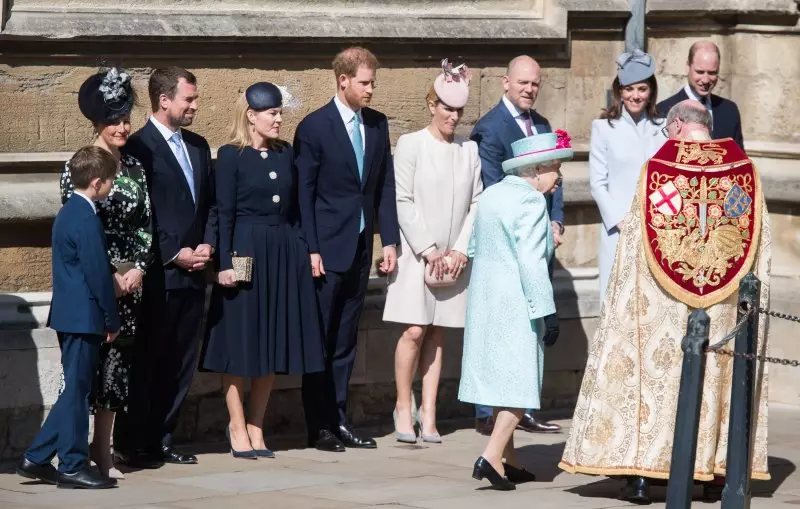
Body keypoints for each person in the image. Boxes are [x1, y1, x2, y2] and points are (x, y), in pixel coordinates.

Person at [559, 100, 770, 504]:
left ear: (675, 127)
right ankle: (711, 473)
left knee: (653, 380)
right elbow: (760, 249)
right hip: (725, 309)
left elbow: (636, 245)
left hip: (663, 304)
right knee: (714, 378)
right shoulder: (744, 174)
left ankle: (641, 473)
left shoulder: (660, 173)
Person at [200, 82, 326, 458]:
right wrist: (223, 264)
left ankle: (257, 426)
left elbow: (298, 208)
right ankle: (236, 426)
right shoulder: (230, 156)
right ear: (251, 116)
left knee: (270, 342)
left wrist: (306, 250)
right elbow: (223, 213)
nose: (279, 119)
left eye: (280, 112)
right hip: (245, 251)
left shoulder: (285, 154)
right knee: (241, 342)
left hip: (282, 253)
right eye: (272, 113)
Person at [295, 46, 400, 452]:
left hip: (358, 247)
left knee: (345, 340)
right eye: (364, 82)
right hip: (326, 250)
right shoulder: (314, 127)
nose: (371, 89)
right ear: (343, 80)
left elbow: (383, 186)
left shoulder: (376, 125)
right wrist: (312, 249)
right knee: (320, 338)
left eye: (373, 82)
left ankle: (339, 420)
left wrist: (387, 238)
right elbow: (304, 194)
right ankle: (317, 425)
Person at [114, 66, 217, 468]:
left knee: (180, 363)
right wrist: (175, 252)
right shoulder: (137, 147)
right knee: (148, 362)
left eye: (194, 98)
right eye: (188, 99)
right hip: (158, 275)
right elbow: (141, 214)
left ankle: (163, 437)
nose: (195, 105)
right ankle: (132, 440)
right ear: (164, 100)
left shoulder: (197, 145)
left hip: (195, 275)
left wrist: (209, 243)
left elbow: (209, 204)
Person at [459, 130, 572, 490]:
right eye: (556, 169)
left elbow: (474, 246)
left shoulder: (492, 194)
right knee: (522, 384)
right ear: (536, 170)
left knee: (500, 382)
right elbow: (532, 262)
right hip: (518, 302)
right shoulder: (531, 202)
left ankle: (509, 459)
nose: (560, 178)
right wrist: (547, 310)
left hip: (486, 300)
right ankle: (491, 457)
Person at [57, 67, 154, 480]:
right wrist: (109, 278)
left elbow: (146, 224)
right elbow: (80, 230)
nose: (123, 127)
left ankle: (104, 450)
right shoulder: (78, 166)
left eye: (126, 119)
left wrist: (139, 270)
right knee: (82, 373)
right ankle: (71, 451)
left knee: (116, 370)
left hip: (128, 284)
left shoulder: (134, 166)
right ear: (97, 123)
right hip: (92, 286)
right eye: (115, 120)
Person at [383, 59, 483, 444]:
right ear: (431, 105)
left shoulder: (469, 151)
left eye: (458, 110)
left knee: (439, 333)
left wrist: (459, 250)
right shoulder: (411, 144)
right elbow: (402, 199)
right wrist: (428, 249)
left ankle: (430, 411)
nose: (453, 117)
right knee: (413, 329)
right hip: (417, 254)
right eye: (446, 108)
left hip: (454, 259)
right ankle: (403, 406)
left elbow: (477, 202)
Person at [469, 54, 562, 435]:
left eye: (535, 83)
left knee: (525, 335)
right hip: (510, 242)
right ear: (505, 82)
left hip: (541, 233)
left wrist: (555, 221)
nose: (529, 89)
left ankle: (519, 409)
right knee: (501, 328)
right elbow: (493, 187)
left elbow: (557, 178)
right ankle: (488, 412)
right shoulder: (490, 128)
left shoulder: (542, 124)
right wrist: (533, 221)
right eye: (522, 82)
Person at [17, 146, 120, 489]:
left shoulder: (69, 211)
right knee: (77, 393)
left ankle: (36, 457)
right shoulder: (86, 217)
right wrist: (111, 318)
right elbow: (97, 274)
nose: (111, 187)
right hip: (83, 316)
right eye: (109, 181)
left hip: (71, 315)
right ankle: (73, 465)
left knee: (75, 389)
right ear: (96, 183)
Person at [589, 50, 666, 302]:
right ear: (620, 91)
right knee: (616, 299)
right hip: (618, 230)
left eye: (642, 89)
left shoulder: (663, 129)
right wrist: (619, 220)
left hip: (655, 229)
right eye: (629, 89)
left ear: (651, 91)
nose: (635, 96)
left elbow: (667, 179)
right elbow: (598, 183)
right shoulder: (603, 128)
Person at [657, 40, 744, 150]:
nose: (705, 80)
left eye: (712, 73)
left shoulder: (730, 111)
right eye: (700, 72)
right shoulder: (664, 110)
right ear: (688, 66)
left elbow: (740, 160)